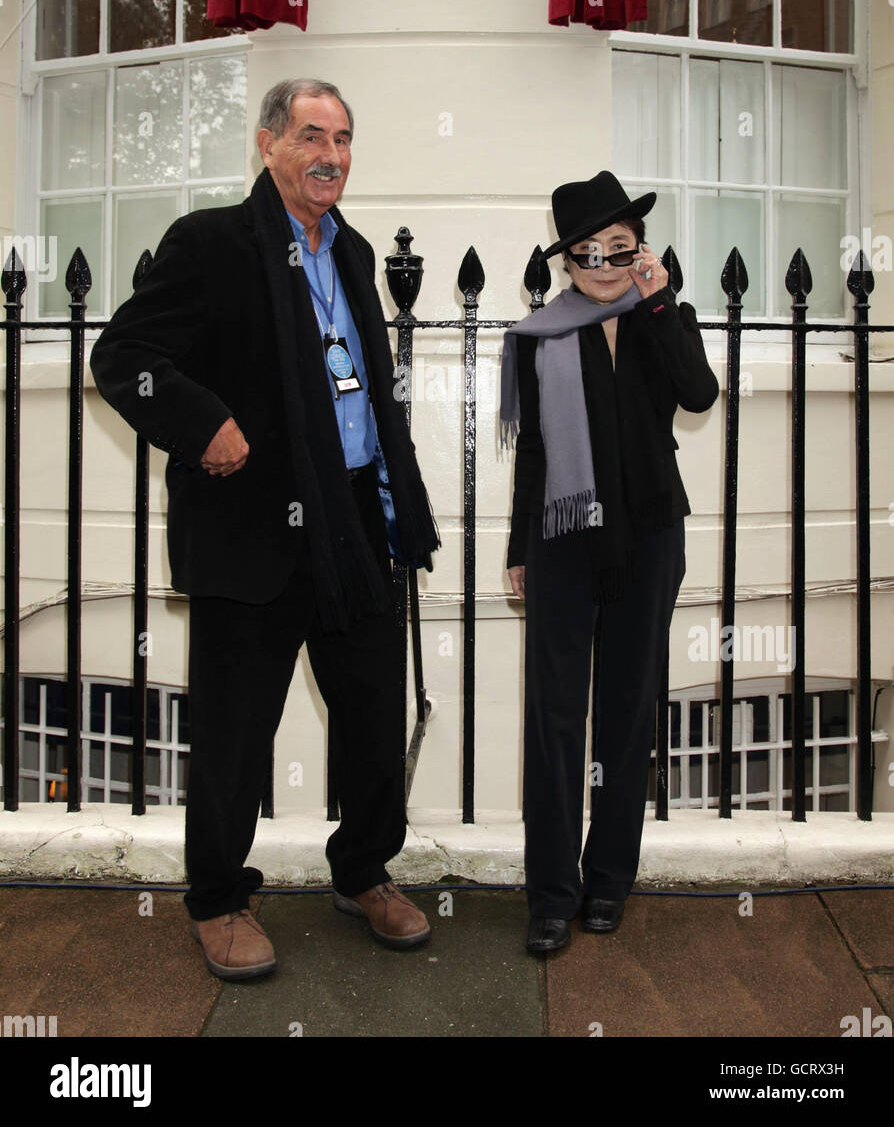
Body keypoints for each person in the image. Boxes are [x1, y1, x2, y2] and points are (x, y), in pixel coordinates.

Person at [90, 78, 440, 979]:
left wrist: (396, 500)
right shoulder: (212, 243)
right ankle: (216, 898)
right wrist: (202, 420)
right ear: (269, 144)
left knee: (371, 715)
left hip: (356, 522)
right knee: (237, 733)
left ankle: (363, 869)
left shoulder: (355, 252)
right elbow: (122, 356)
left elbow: (358, 388)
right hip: (253, 529)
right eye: (313, 135)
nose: (332, 154)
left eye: (346, 138)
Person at [501, 171, 719, 954]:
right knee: (555, 720)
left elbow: (699, 395)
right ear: (566, 261)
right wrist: (520, 549)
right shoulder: (540, 336)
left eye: (617, 247)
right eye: (586, 252)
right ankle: (551, 895)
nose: (602, 262)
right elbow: (534, 449)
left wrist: (658, 300)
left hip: (652, 534)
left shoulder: (668, 316)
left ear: (639, 248)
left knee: (626, 717)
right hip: (564, 543)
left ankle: (608, 881)